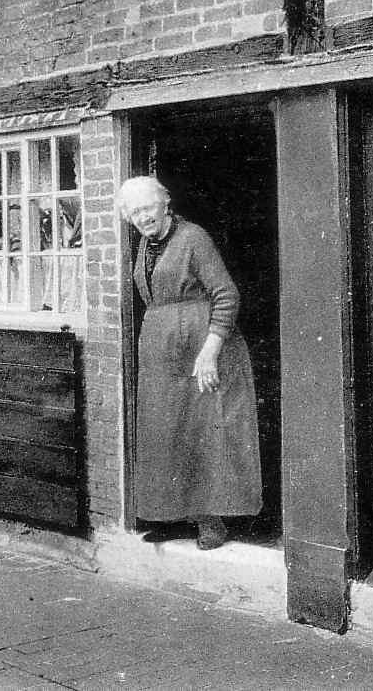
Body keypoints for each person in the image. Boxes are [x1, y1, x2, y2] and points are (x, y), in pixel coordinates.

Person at [116, 175, 261, 550]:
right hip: (163, 354)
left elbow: (227, 295)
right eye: (135, 213)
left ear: (164, 204)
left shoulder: (193, 237)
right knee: (167, 431)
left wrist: (210, 351)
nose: (143, 217)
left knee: (207, 430)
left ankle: (213, 521)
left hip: (202, 348)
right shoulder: (145, 246)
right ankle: (174, 515)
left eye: (148, 208)